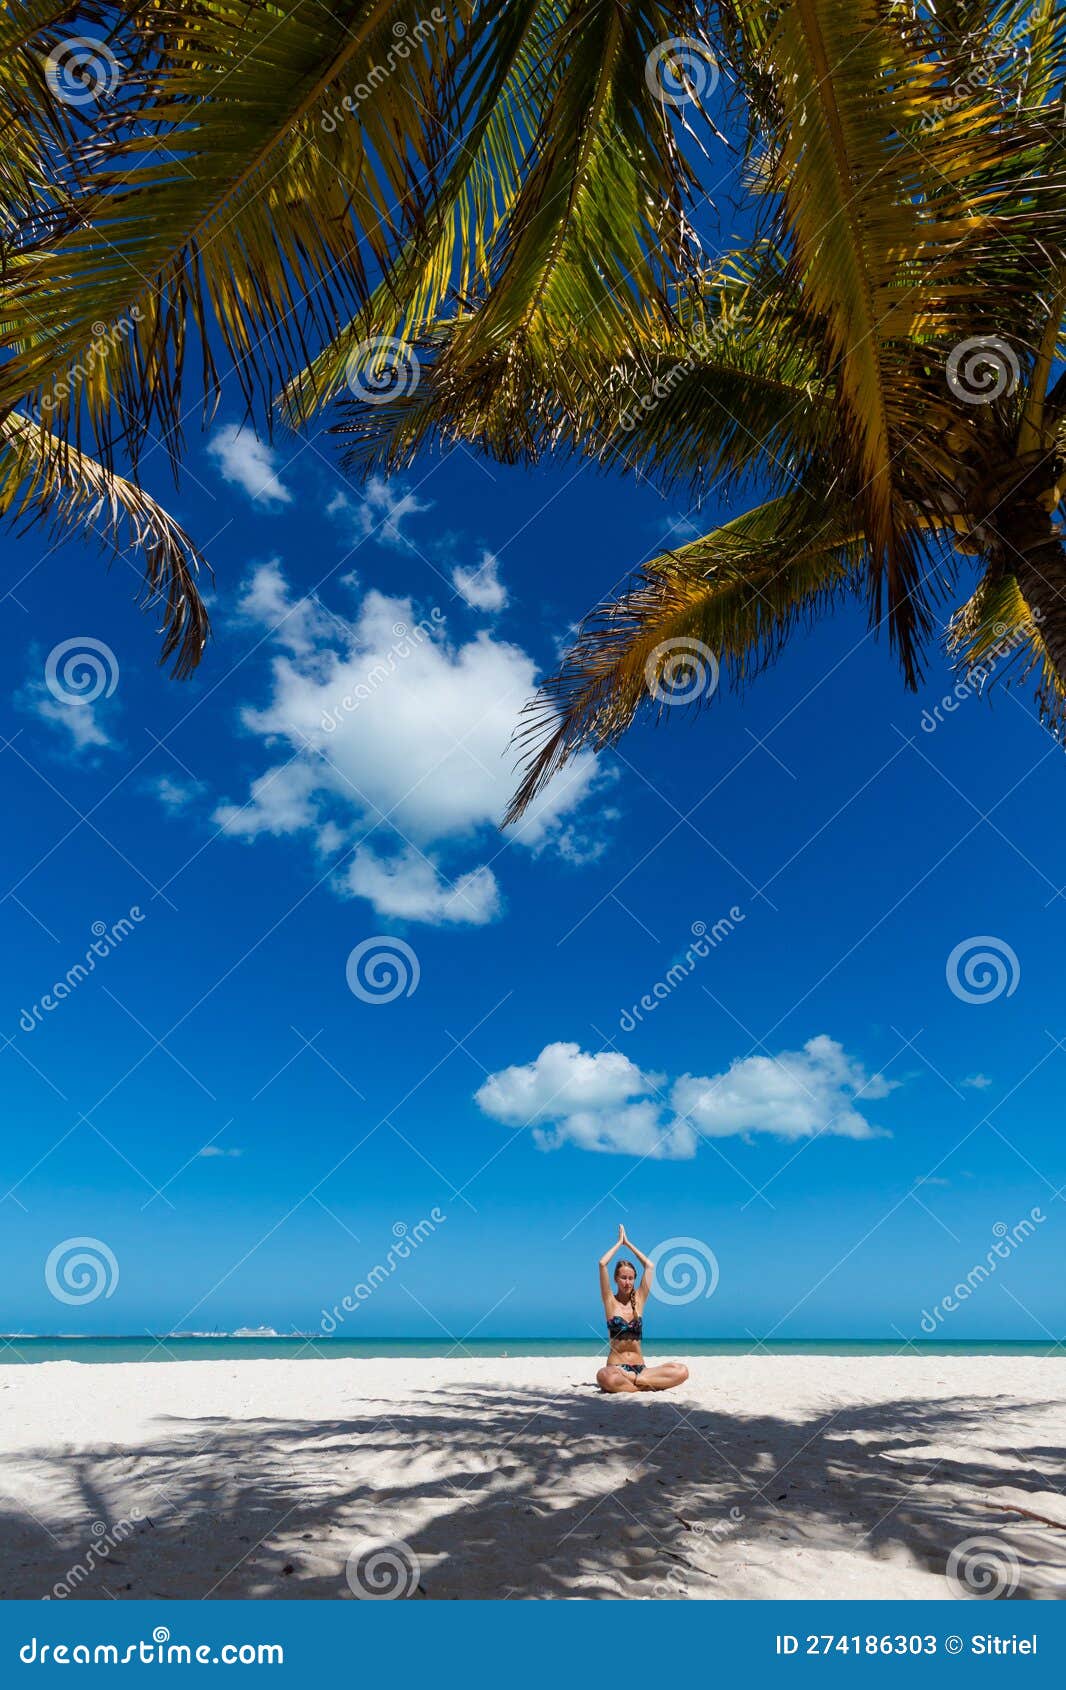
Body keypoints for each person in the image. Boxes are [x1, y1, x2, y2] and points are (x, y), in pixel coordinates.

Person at [595, 1224, 689, 1393]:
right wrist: (619, 1243)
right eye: (623, 1277)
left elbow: (650, 1266)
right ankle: (641, 1386)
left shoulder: (638, 1300)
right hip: (617, 1368)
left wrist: (629, 1244)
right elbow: (602, 1264)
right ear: (616, 1279)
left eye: (631, 1278)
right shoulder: (609, 1301)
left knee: (681, 1370)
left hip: (641, 1369)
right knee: (603, 1376)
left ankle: (636, 1382)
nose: (627, 1282)